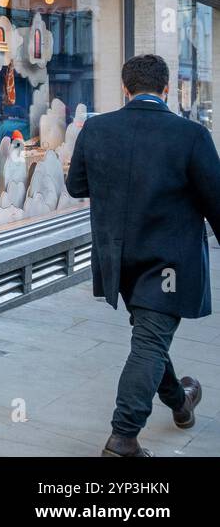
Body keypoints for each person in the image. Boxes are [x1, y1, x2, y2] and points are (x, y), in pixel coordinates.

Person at [66, 53, 216, 457]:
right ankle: (123, 437)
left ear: (125, 88)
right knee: (149, 342)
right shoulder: (191, 135)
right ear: (166, 89)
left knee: (149, 337)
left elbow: (76, 186)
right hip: (170, 264)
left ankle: (180, 403)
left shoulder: (96, 129)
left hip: (120, 261)